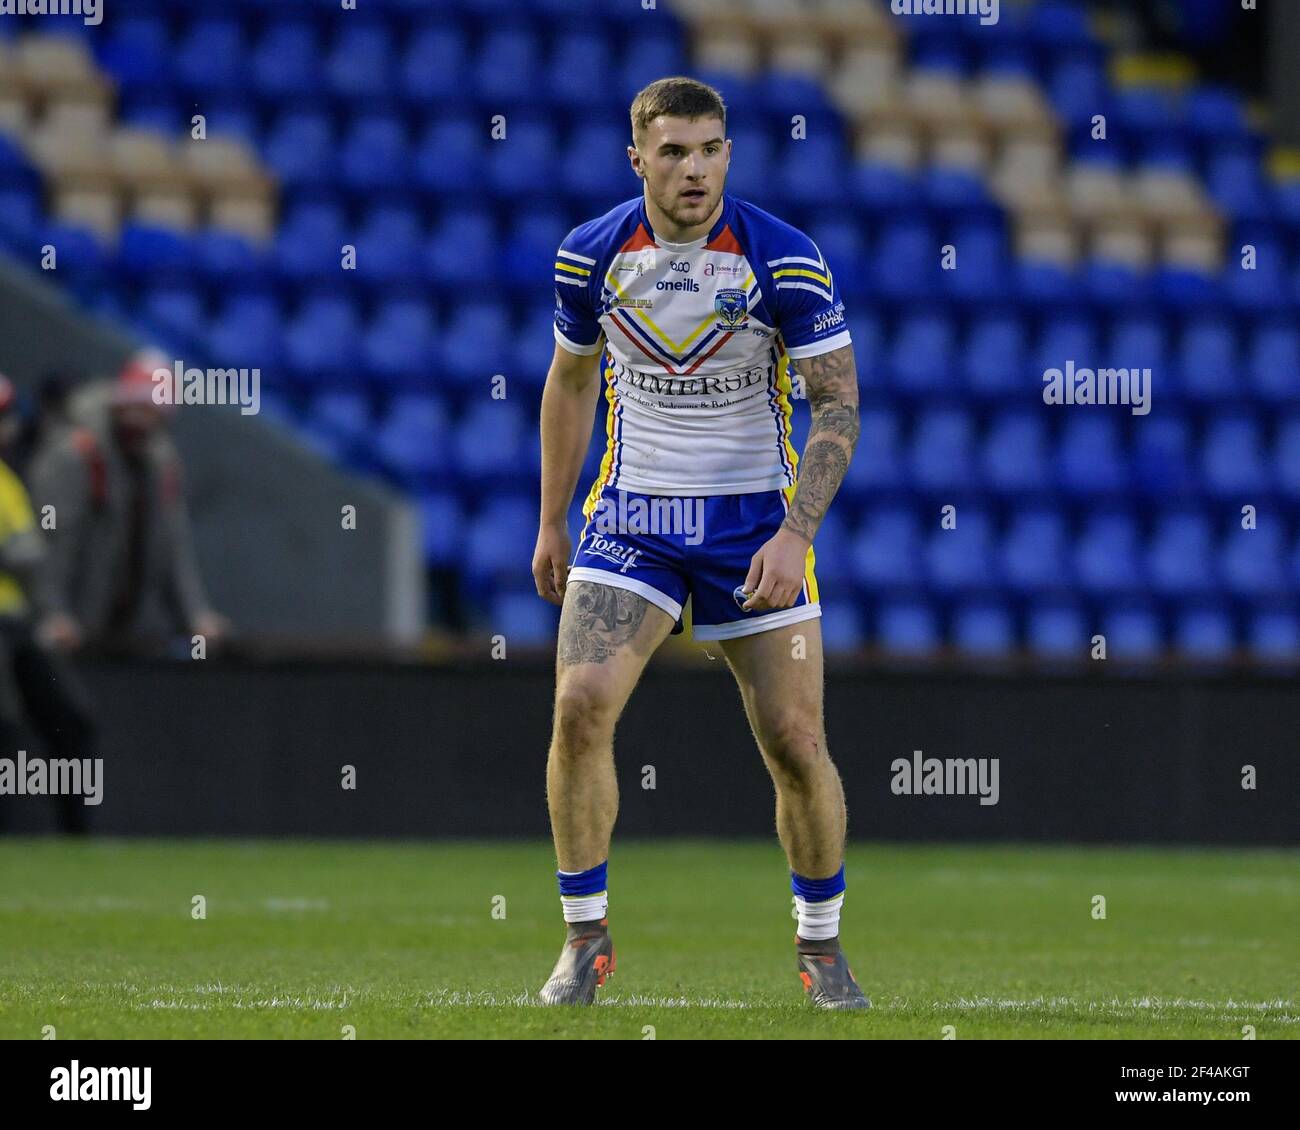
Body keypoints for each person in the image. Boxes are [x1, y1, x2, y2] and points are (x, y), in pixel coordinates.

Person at [532, 78, 864, 1008]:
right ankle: (584, 940)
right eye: (673, 151)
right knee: (578, 709)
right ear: (636, 158)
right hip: (634, 518)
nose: (694, 168)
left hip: (754, 524)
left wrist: (797, 534)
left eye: (710, 148)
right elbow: (568, 382)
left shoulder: (783, 259)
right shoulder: (589, 257)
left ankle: (822, 947)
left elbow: (837, 401)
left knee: (796, 742)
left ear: (729, 153)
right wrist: (554, 516)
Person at [29, 350, 228, 657]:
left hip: (123, 627)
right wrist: (51, 612)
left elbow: (172, 545)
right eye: (135, 406)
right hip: (69, 629)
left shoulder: (160, 460)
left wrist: (195, 616)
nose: (140, 419)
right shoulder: (75, 454)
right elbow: (50, 540)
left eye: (150, 410)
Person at [0, 373, 97, 834]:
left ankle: (76, 836)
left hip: (18, 623)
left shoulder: (9, 482)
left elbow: (31, 558)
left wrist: (51, 612)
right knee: (3, 725)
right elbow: (24, 553)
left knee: (70, 718)